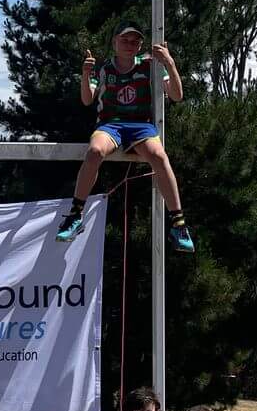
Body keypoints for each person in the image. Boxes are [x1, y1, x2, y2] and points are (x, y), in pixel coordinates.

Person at [57, 23, 195, 252]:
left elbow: (177, 95)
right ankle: (75, 215)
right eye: (125, 40)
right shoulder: (104, 68)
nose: (130, 45)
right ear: (114, 43)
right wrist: (85, 74)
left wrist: (169, 62)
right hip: (110, 125)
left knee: (160, 157)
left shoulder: (150, 65)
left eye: (135, 41)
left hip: (141, 126)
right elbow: (87, 99)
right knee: (94, 152)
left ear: (140, 45)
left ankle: (178, 224)